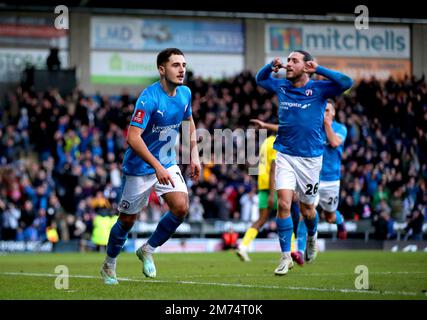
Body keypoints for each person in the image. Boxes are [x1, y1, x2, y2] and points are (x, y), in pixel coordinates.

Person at [100, 48, 200, 285]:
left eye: (184, 65)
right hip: (140, 168)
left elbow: (190, 122)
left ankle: (148, 249)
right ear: (161, 70)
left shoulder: (185, 93)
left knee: (181, 207)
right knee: (127, 221)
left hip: (166, 162)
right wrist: (155, 166)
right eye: (176, 65)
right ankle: (109, 265)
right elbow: (133, 137)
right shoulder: (149, 97)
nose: (182, 69)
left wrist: (195, 155)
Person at [255, 50, 352, 275]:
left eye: (293, 61)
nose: (288, 64)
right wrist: (270, 66)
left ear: (306, 66)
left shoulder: (319, 88)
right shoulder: (281, 86)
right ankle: (285, 256)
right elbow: (260, 79)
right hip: (285, 154)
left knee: (308, 210)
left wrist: (319, 69)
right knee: (284, 204)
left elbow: (348, 82)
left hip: (310, 160)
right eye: (287, 60)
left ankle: (312, 235)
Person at [291, 100, 348, 265]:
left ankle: (340, 220)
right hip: (313, 177)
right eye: (323, 109)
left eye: (328, 110)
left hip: (331, 181)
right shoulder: (313, 127)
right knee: (306, 213)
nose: (325, 112)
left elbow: (335, 142)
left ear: (334, 113)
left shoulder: (340, 128)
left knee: (329, 217)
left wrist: (327, 124)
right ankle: (300, 251)